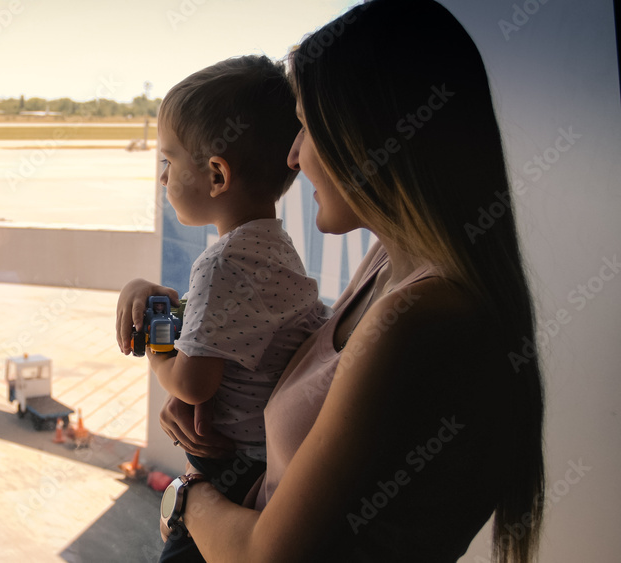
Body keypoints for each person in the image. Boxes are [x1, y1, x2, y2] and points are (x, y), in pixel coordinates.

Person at [134, 1, 546, 561]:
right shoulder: (388, 266)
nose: (294, 156)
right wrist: (183, 331)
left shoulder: (420, 320)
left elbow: (265, 556)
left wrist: (185, 495)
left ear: (369, 136)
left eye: (305, 126)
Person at [116, 55, 328, 561]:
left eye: (168, 162)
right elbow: (231, 328)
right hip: (263, 460)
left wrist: (153, 335)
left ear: (216, 175)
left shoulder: (223, 263)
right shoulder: (274, 248)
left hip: (235, 469)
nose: (163, 179)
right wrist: (172, 304)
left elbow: (192, 383)